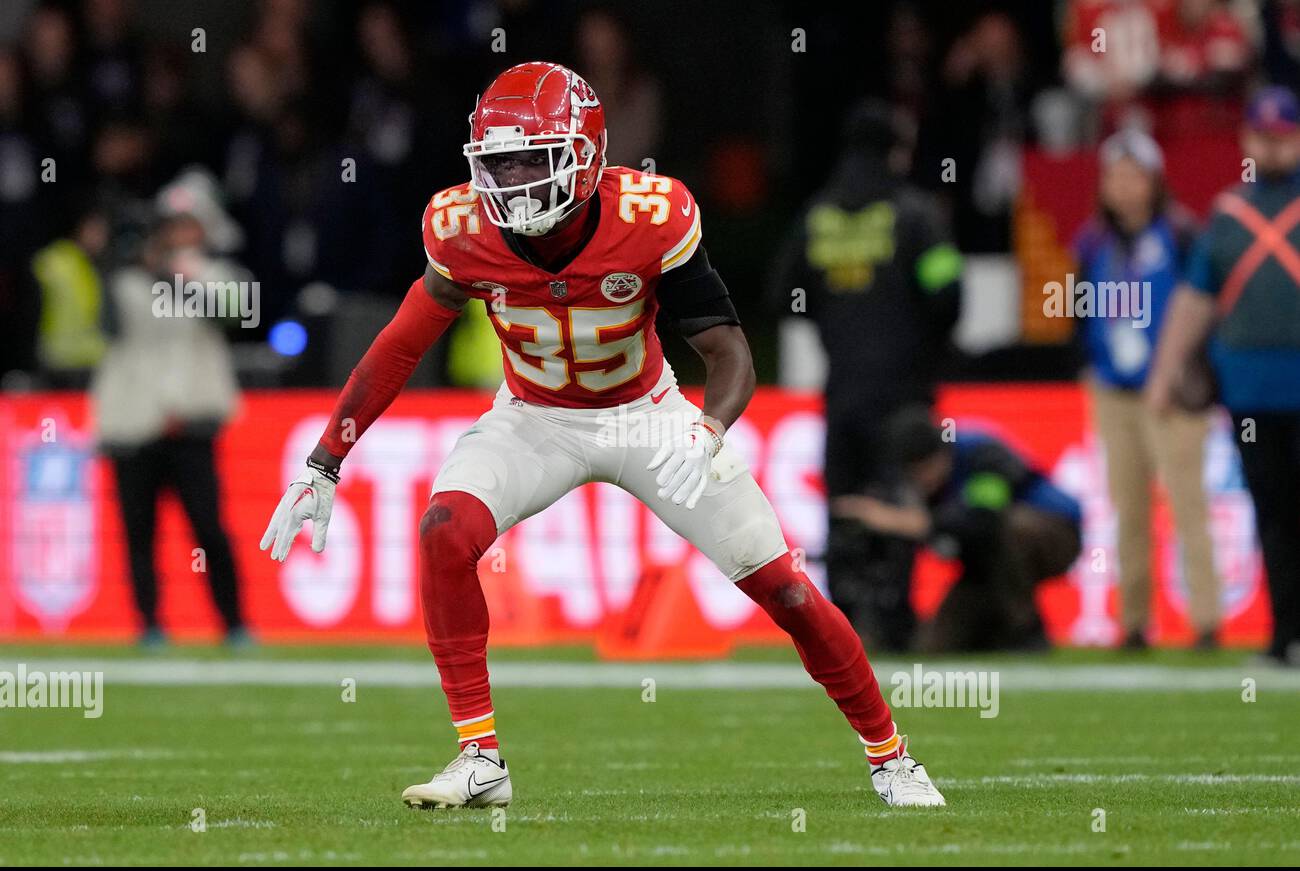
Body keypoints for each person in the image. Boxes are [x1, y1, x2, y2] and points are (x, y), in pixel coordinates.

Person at [260, 62, 947, 808]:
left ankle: (892, 756)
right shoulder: (461, 229)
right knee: (442, 531)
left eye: (533, 158)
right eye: (499, 162)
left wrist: (708, 427)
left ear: (586, 155)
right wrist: (324, 463)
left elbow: (728, 350)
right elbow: (399, 344)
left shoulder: (650, 217)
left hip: (648, 414)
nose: (514, 180)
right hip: (534, 417)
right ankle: (479, 757)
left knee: (780, 583)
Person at [770, 100, 962, 651]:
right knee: (898, 501)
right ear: (894, 151)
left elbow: (781, 295)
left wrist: (839, 313)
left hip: (844, 388)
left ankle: (840, 625)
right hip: (904, 393)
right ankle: (895, 623)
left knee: (845, 507)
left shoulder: (818, 216)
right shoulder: (916, 214)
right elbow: (949, 294)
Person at [1148, 86, 1300, 666]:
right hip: (1251, 392)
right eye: (1262, 136)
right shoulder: (1229, 214)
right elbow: (1195, 299)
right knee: (1273, 512)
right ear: (1246, 140)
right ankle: (1286, 633)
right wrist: (1165, 372)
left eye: (1282, 135)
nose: (1272, 146)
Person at [1075, 128, 1220, 650]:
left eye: (1134, 175)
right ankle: (1135, 622)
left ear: (1155, 181)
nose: (1124, 187)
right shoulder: (1094, 241)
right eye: (1114, 176)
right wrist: (1089, 367)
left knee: (1187, 504)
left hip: (1174, 392)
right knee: (1127, 507)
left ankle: (1207, 621)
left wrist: (1188, 374)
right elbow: (1078, 312)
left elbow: (1205, 307)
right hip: (1114, 391)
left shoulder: (1180, 235)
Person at [92, 206, 253, 647]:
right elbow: (106, 328)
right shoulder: (122, 281)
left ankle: (235, 625)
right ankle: (149, 625)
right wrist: (118, 262)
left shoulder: (211, 273)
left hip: (191, 425)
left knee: (208, 528)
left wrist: (181, 276)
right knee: (139, 532)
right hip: (134, 424)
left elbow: (238, 313)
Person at [834, 408, 1082, 652]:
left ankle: (1026, 629)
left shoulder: (982, 453)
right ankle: (998, 634)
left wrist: (905, 522)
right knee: (934, 645)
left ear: (942, 453)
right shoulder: (912, 488)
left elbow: (985, 520)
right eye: (914, 472)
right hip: (983, 567)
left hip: (1055, 532)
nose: (924, 478)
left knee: (1011, 530)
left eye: (926, 467)